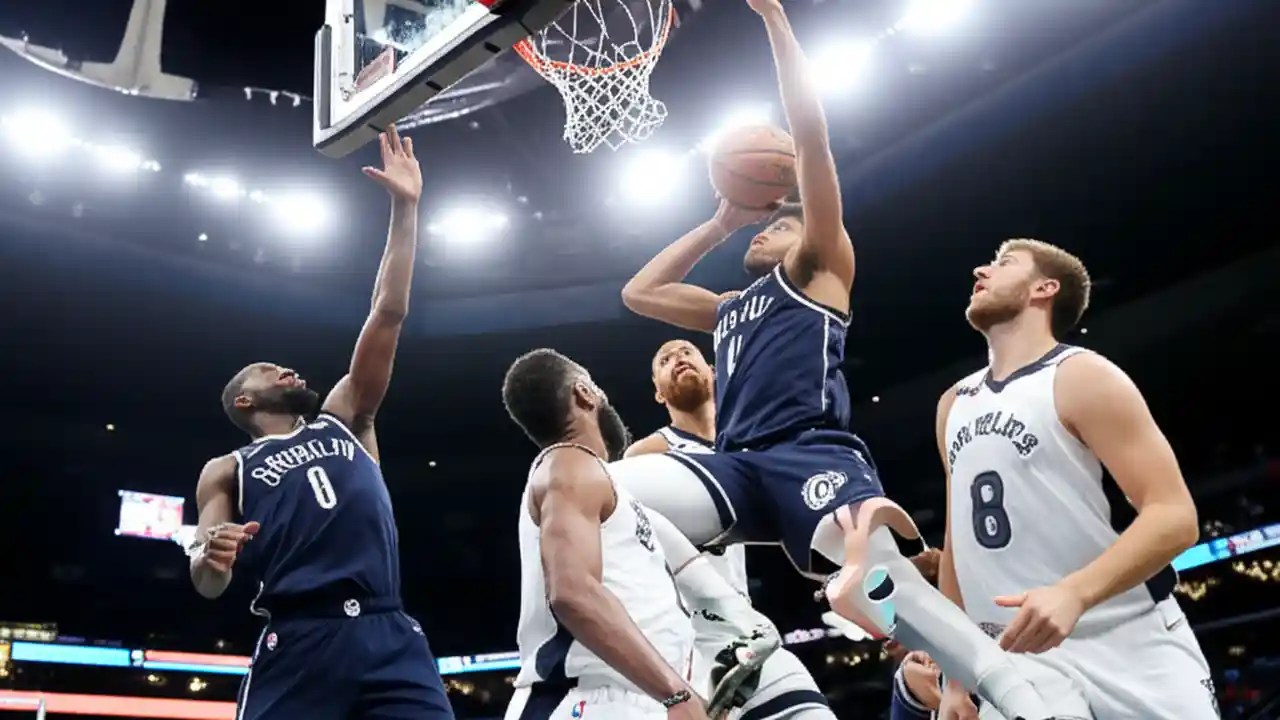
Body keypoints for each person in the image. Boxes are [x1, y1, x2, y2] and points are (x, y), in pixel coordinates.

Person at [611, 0, 1056, 717]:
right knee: (603, 493)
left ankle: (1015, 689)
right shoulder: (727, 307)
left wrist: (778, 25)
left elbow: (812, 142)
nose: (764, 237)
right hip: (735, 468)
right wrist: (722, 219)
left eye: (775, 225)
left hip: (807, 452)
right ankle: (730, 625)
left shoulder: (819, 269)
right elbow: (640, 291)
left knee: (885, 588)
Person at [186, 127, 454, 720]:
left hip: (388, 630)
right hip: (300, 637)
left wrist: (405, 209)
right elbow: (206, 576)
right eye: (265, 369)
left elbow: (388, 309)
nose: (283, 367)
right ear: (244, 405)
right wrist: (211, 556)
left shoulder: (346, 417)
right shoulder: (228, 469)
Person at [935, 239, 1216, 719]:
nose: (980, 271)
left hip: (1125, 638)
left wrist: (1073, 593)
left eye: (1004, 264)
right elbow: (958, 545)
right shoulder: (952, 404)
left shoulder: (1081, 375)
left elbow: (1175, 516)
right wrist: (954, 677)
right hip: (1018, 659)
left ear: (1045, 288)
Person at [500, 349, 780, 720]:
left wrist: (693, 691)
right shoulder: (569, 462)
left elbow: (689, 589)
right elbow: (573, 593)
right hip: (584, 699)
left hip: (645, 695)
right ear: (585, 394)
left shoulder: (622, 499)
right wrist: (677, 693)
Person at [626, 339, 834, 719]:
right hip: (680, 638)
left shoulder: (748, 445)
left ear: (713, 372)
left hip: (741, 624)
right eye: (664, 359)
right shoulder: (645, 455)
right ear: (658, 392)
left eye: (686, 352)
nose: (678, 359)